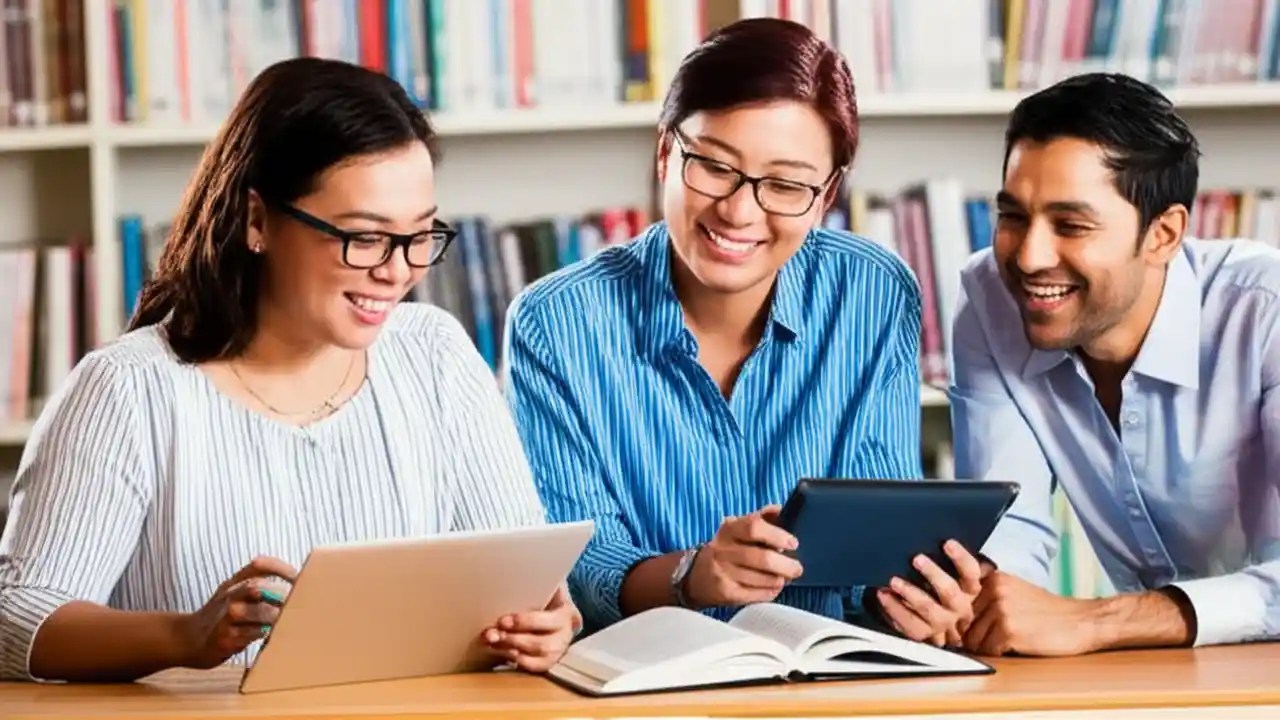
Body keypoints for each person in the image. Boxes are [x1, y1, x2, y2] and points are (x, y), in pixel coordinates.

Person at [0, 57, 580, 683]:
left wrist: (548, 624)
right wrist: (187, 634)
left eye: (419, 235)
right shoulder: (131, 389)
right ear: (257, 221)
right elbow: (15, 619)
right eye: (364, 236)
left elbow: (530, 584)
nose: (398, 270)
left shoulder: (435, 354)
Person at [503, 17, 982, 645]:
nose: (738, 210)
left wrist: (918, 597)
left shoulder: (872, 293)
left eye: (784, 185)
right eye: (712, 166)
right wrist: (692, 575)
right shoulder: (555, 322)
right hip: (643, 684)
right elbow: (576, 567)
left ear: (827, 194)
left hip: (828, 684)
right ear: (665, 152)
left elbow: (876, 533)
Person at [951, 72, 1280, 657]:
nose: (1029, 257)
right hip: (1160, 673)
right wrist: (976, 601)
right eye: (1013, 216)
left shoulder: (1265, 312)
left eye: (1071, 225)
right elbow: (1010, 526)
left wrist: (1096, 622)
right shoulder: (989, 302)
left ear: (1164, 234)